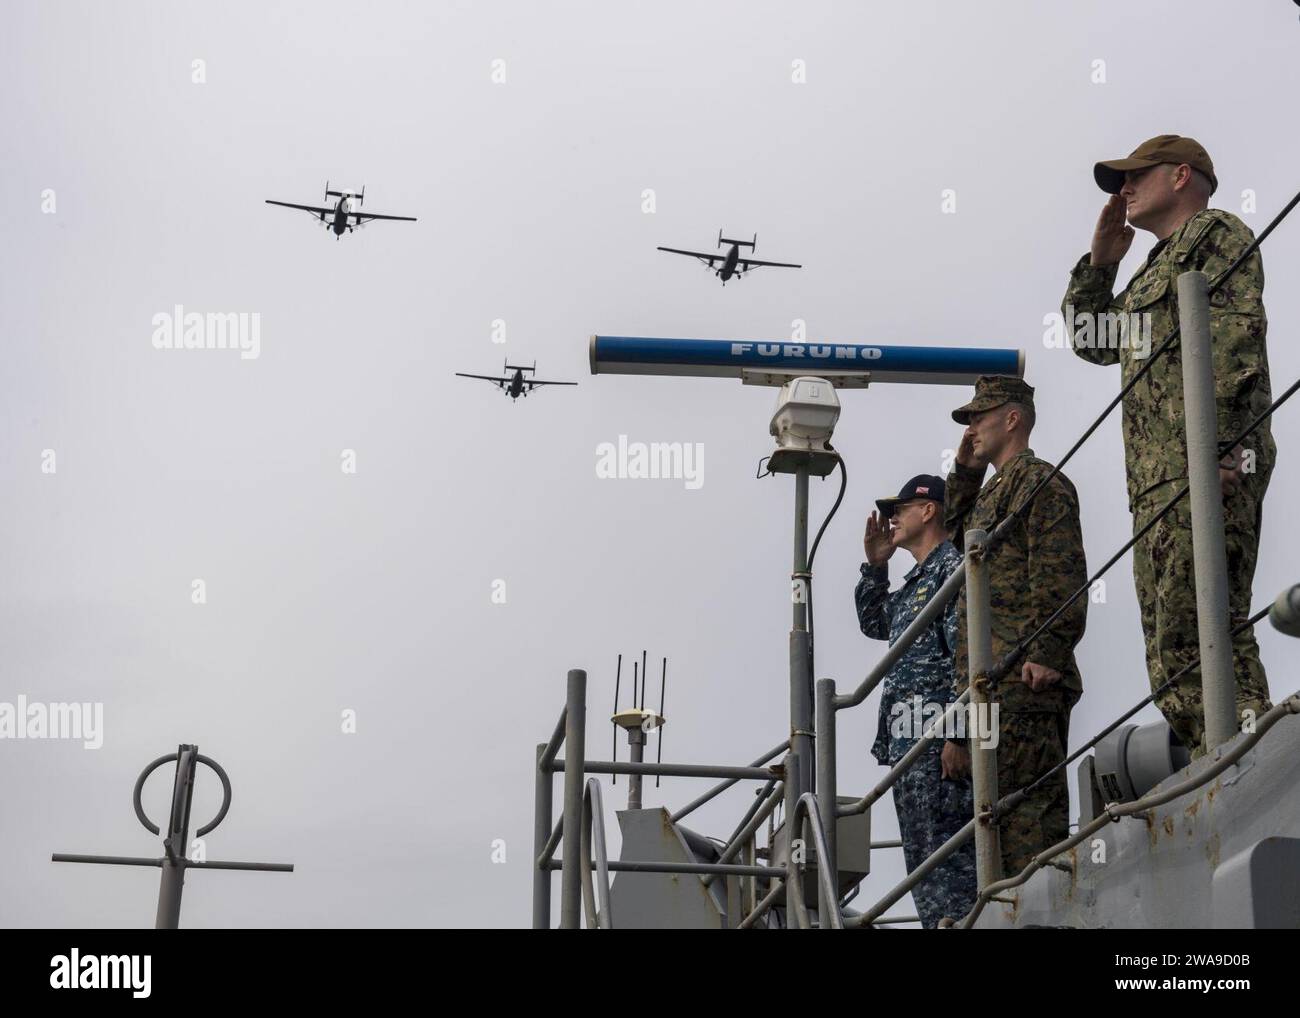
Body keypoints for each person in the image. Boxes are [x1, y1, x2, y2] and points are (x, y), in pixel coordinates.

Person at [1062, 134, 1274, 755]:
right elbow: (1092, 337)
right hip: (1159, 480)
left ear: (1182, 175)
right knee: (1169, 646)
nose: (1123, 190)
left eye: (1135, 176)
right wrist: (1101, 262)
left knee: (1206, 627)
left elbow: (1235, 336)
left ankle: (1253, 762)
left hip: (1209, 461)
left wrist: (1224, 444)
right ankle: (1223, 761)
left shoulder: (1215, 235)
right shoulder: (1155, 268)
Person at [944, 376, 1088, 877]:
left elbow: (1060, 574)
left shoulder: (1040, 483)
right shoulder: (989, 493)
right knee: (995, 838)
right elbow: (954, 537)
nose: (970, 428)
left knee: (1031, 831)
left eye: (978, 417)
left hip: (1022, 685)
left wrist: (1047, 651)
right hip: (985, 688)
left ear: (1012, 418)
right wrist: (966, 468)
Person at [856, 474, 975, 927]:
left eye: (899, 510)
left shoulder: (953, 568)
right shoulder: (915, 583)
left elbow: (966, 655)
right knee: (925, 864)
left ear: (928, 511)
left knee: (951, 863)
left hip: (940, 742)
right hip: (911, 744)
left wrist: (959, 733)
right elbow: (874, 622)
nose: (891, 520)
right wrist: (875, 567)